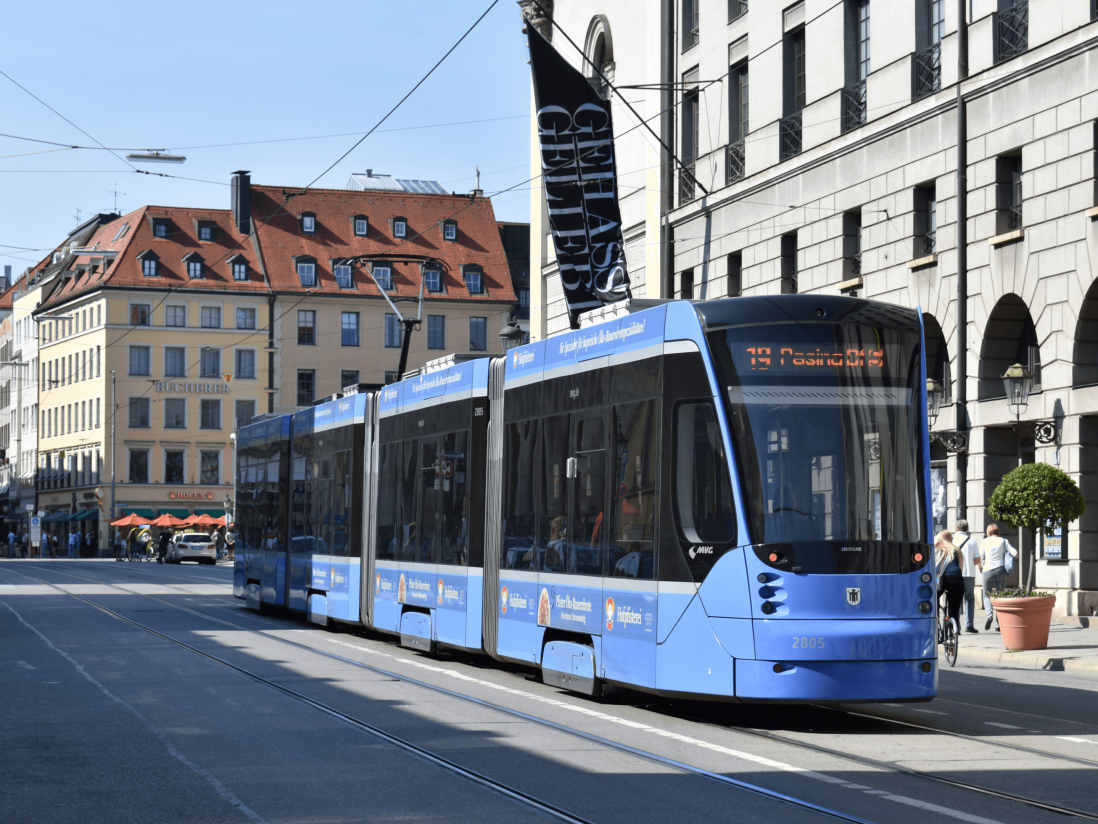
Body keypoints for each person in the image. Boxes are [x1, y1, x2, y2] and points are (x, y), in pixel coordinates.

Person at [979, 523, 1019, 632]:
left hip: (987, 570)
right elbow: (1015, 552)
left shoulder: (984, 541)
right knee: (1000, 597)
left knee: (986, 595)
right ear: (998, 532)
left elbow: (980, 556)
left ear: (989, 532)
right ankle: (998, 624)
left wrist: (980, 567)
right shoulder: (1003, 541)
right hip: (1001, 570)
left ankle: (989, 615)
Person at [935, 530, 965, 630]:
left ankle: (936, 620)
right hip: (956, 578)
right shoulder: (956, 549)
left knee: (933, 598)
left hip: (940, 579)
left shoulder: (934, 549)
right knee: (954, 608)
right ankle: (954, 629)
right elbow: (961, 568)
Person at [954, 519, 978, 633]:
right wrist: (969, 563)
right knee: (969, 599)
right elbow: (977, 559)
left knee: (955, 599)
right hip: (969, 574)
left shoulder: (952, 540)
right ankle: (969, 625)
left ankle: (956, 627)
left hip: (955, 574)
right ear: (967, 529)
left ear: (956, 528)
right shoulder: (972, 541)